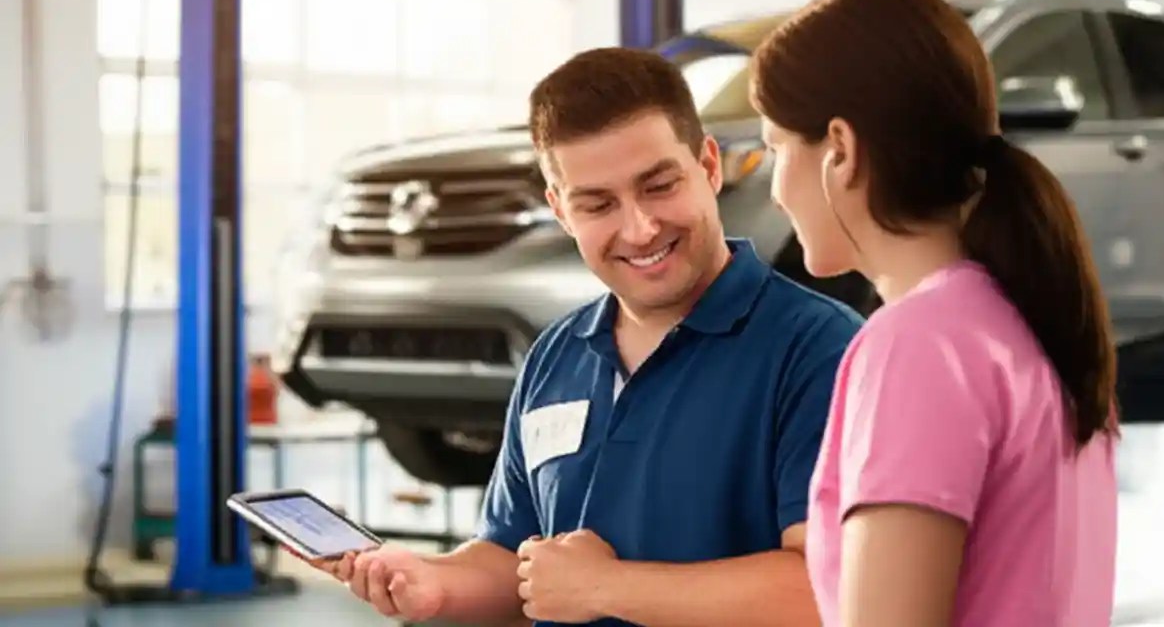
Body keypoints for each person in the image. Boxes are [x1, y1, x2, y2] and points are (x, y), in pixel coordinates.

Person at [304, 47, 863, 626]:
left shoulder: (820, 350)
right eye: (597, 204)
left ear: (710, 167)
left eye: (659, 186)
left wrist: (609, 588)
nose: (639, 228)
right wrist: (434, 582)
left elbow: (832, 590)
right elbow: (515, 560)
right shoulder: (557, 354)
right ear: (561, 211)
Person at [749, 0, 1120, 627]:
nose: (778, 189)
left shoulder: (917, 346)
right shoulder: (1034, 321)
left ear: (841, 148)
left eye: (777, 146)